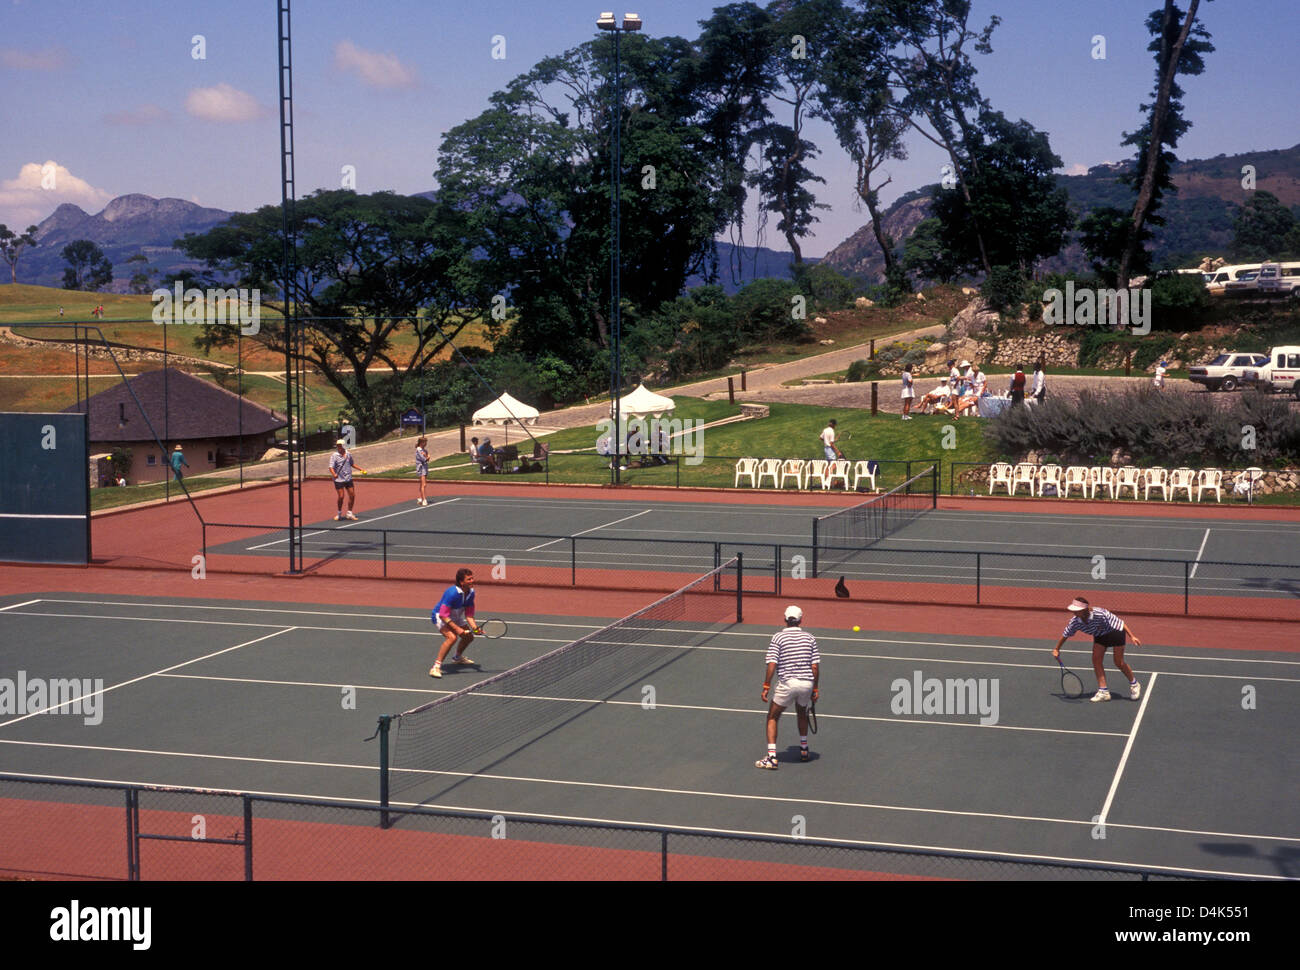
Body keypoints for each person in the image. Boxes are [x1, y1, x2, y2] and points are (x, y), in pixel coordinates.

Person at [756, 604, 820, 769]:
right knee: (801, 714)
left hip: (787, 684)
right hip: (806, 684)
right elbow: (814, 667)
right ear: (801, 620)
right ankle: (804, 750)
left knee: (772, 717)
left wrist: (766, 686)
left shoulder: (778, 637)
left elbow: (772, 663)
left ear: (785, 619)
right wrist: (815, 689)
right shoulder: (810, 638)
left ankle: (771, 758)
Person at [1051, 597, 1142, 703]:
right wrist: (1057, 649)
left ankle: (1134, 684)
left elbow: (1120, 623)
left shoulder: (1100, 613)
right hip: (1100, 636)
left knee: (1118, 662)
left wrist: (1132, 636)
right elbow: (1065, 634)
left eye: (1076, 610)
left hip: (1115, 632)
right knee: (1096, 660)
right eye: (1073, 610)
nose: (1073, 612)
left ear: (1083, 610)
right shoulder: (1075, 622)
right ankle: (1103, 691)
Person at [430, 568, 478, 678]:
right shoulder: (452, 593)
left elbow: (469, 615)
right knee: (452, 637)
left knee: (469, 637)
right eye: (469, 579)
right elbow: (443, 615)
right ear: (462, 582)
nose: (472, 581)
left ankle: (457, 658)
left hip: (455, 616)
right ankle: (436, 667)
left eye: (472, 578)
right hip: (440, 616)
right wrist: (457, 629)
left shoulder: (471, 593)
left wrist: (475, 628)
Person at [329, 439, 366, 520]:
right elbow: (331, 467)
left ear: (344, 446)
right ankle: (339, 513)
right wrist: (334, 474)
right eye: (338, 445)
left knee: (352, 495)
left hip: (348, 478)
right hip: (338, 479)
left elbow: (352, 463)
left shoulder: (348, 454)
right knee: (341, 497)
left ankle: (349, 513)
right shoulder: (334, 455)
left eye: (340, 445)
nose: (339, 446)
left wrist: (361, 469)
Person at [414, 436, 429, 506]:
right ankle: (424, 500)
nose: (426, 443)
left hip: (425, 467)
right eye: (424, 442)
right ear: (421, 443)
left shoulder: (425, 450)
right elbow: (424, 459)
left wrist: (427, 456)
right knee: (424, 484)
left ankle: (421, 497)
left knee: (422, 484)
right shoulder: (419, 450)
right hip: (421, 468)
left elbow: (427, 458)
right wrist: (427, 457)